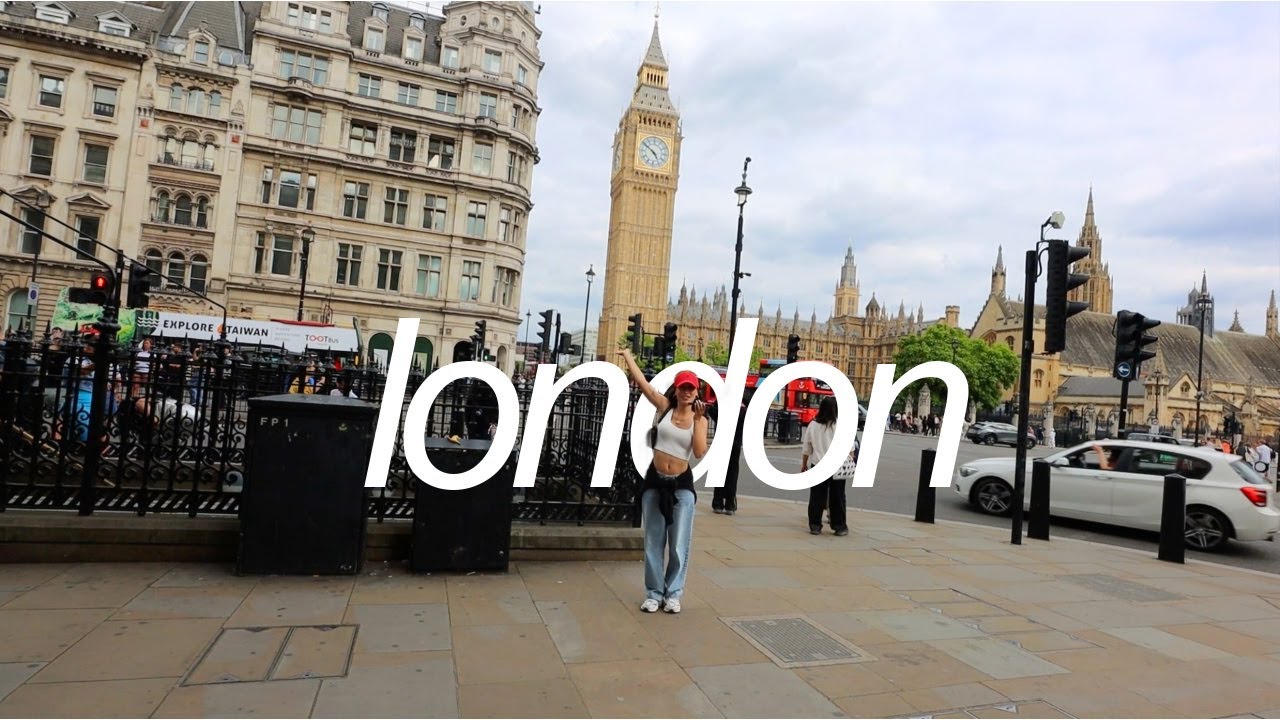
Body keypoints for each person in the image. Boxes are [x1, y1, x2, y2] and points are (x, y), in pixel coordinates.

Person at [617, 347, 708, 614]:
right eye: (683, 387)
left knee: (679, 544)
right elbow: (643, 384)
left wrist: (700, 421)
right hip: (655, 483)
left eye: (691, 388)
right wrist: (628, 357)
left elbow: (700, 452)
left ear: (697, 391)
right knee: (653, 542)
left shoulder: (699, 419)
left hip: (680, 487)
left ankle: (674, 593)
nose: (687, 392)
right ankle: (654, 593)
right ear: (676, 389)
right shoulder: (664, 407)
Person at [803, 396, 849, 536]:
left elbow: (807, 448)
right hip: (836, 466)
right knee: (837, 496)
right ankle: (839, 526)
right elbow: (850, 449)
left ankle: (815, 525)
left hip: (817, 463)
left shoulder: (813, 425)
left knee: (817, 496)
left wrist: (804, 464)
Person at [712, 387, 754, 516]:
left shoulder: (721, 409)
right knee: (732, 473)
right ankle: (730, 504)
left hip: (721, 443)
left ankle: (717, 502)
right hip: (735, 444)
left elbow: (712, 411)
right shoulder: (743, 411)